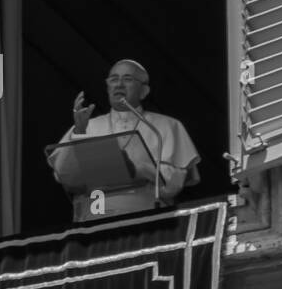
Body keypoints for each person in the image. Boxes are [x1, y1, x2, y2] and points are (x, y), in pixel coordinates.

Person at [52, 58, 200, 221]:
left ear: (144, 91)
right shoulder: (88, 126)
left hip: (145, 217)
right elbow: (63, 175)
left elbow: (173, 183)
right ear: (108, 87)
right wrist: (79, 132)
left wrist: (140, 169)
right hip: (96, 213)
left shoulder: (165, 126)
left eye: (127, 79)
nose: (119, 84)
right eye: (114, 79)